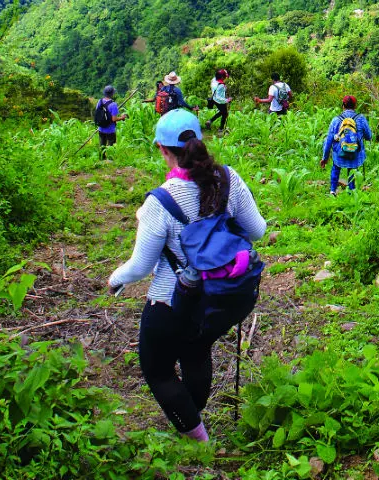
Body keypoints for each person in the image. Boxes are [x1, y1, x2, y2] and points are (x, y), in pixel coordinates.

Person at [107, 109, 266, 442]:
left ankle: (196, 437)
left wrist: (114, 279)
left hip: (174, 300)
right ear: (200, 141)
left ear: (163, 150)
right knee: (196, 349)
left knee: (157, 369)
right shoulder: (228, 179)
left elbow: (140, 265)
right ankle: (193, 418)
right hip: (219, 297)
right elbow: (257, 230)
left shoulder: (160, 202)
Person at [320, 95, 373, 195]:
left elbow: (329, 140)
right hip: (355, 153)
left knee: (336, 167)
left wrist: (325, 158)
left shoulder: (336, 120)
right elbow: (369, 136)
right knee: (352, 169)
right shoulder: (361, 119)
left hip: (339, 153)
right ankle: (351, 191)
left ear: (343, 105)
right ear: (355, 106)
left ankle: (333, 190)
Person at [96, 85, 127, 159]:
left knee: (102, 145)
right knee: (111, 146)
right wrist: (122, 117)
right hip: (110, 130)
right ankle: (110, 160)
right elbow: (114, 119)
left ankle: (101, 159)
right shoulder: (113, 105)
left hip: (101, 128)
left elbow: (98, 113)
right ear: (112, 94)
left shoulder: (99, 101)